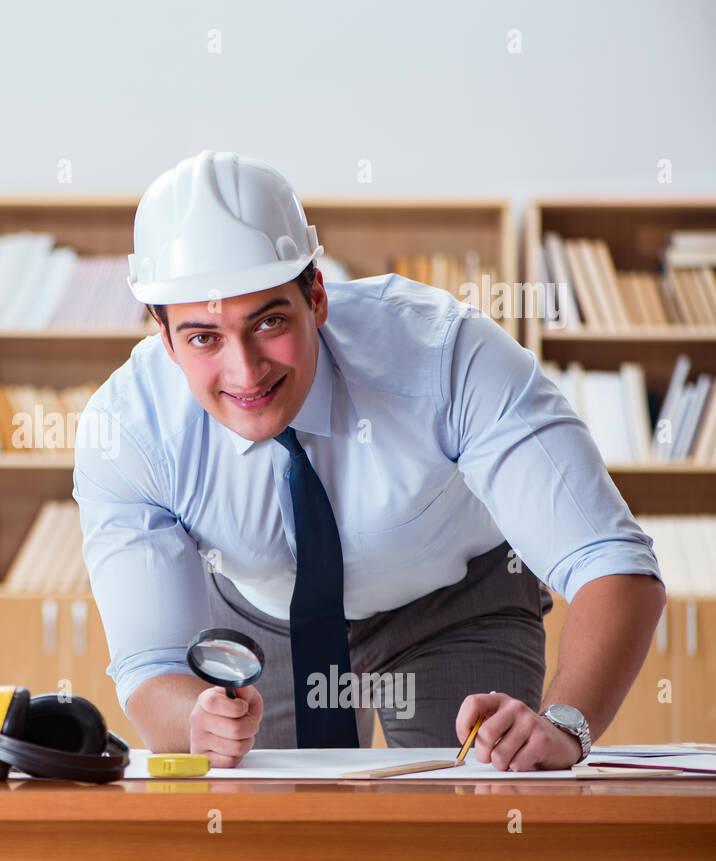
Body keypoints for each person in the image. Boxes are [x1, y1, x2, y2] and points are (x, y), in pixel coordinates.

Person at [72, 150, 666, 771]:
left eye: (269, 321)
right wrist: (195, 721)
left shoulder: (446, 356)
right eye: (203, 338)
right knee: (274, 837)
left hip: (455, 603)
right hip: (260, 615)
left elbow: (612, 562)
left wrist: (565, 726)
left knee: (483, 814)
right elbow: (151, 668)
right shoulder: (129, 430)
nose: (245, 371)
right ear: (164, 339)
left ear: (317, 297)